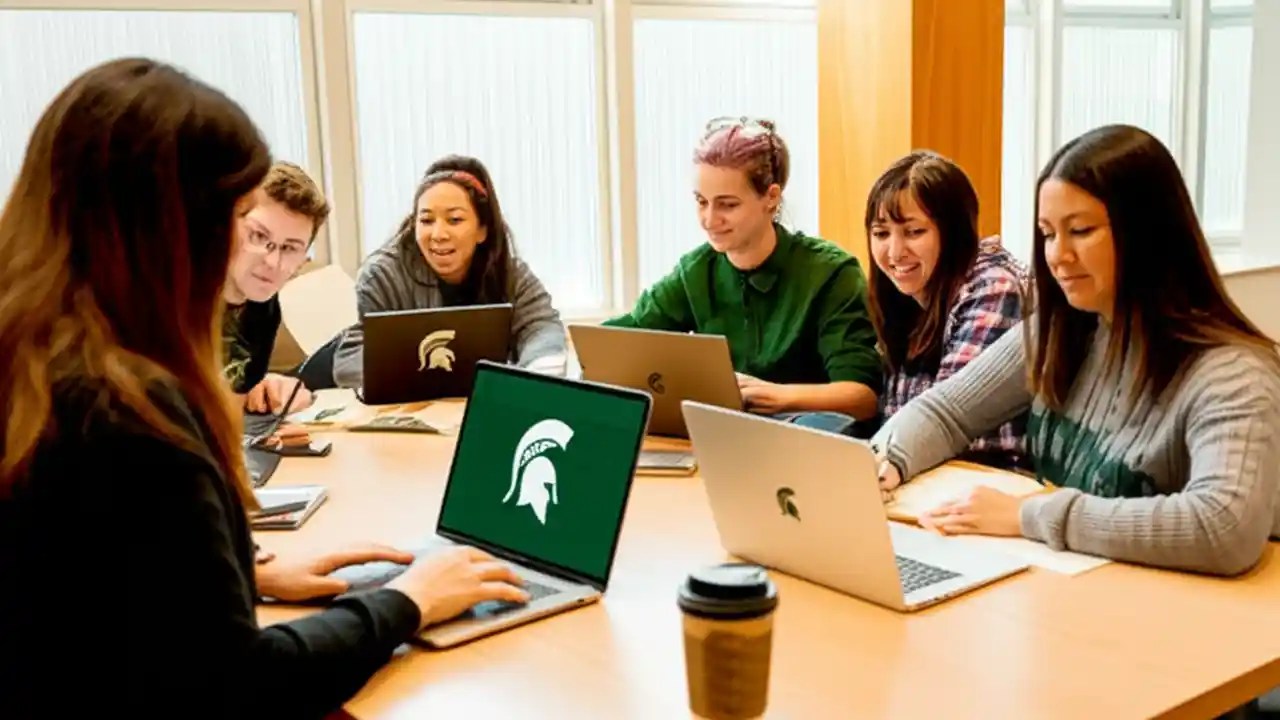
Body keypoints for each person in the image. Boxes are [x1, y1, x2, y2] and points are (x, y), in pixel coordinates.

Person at [0, 58, 529, 717]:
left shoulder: (32, 358)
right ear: (169, 226)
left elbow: (97, 584)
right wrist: (407, 600)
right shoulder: (125, 410)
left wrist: (247, 574)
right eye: (242, 220)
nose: (256, 256)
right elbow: (239, 685)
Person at [872, 124, 1280, 576]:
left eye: (1080, 231)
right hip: (1071, 588)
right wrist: (886, 463)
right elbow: (945, 411)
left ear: (1146, 233)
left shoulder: (1234, 373)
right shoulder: (1060, 329)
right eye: (1047, 234)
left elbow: (1224, 527)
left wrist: (1029, 516)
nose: (1057, 255)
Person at [605, 117, 881, 428]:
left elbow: (862, 397)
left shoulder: (831, 273)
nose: (709, 220)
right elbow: (615, 345)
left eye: (727, 205)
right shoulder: (694, 272)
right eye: (701, 202)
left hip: (809, 439)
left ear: (771, 198)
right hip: (723, 436)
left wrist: (778, 396)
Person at [332, 154, 567, 388]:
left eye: (454, 220)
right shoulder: (381, 275)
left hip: (480, 403)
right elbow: (348, 361)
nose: (438, 234)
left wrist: (535, 375)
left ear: (482, 230)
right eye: (426, 220)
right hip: (407, 409)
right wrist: (428, 372)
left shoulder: (510, 274)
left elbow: (543, 329)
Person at [865, 151, 1028, 469]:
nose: (895, 252)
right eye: (881, 234)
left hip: (984, 477)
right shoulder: (907, 292)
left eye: (914, 232)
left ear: (953, 232)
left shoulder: (995, 287)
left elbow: (946, 425)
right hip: (918, 473)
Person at [224, 161, 329, 416]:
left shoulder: (264, 309)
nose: (272, 262)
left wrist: (267, 387)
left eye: (290, 247)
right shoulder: (171, 302)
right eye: (259, 236)